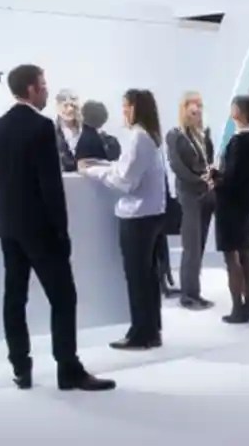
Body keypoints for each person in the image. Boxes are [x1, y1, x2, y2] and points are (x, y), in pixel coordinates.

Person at [0, 64, 115, 392]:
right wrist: (62, 231)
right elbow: (50, 186)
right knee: (63, 297)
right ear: (30, 89)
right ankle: (67, 368)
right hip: (40, 228)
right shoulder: (40, 127)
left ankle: (21, 368)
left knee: (14, 298)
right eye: (42, 86)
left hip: (8, 227)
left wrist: (12, 194)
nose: (46, 91)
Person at [81, 89, 169, 350]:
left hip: (137, 215)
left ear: (134, 108)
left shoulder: (139, 138)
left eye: (125, 106)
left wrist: (93, 171)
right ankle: (151, 330)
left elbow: (124, 181)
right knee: (148, 276)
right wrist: (104, 166)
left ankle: (141, 332)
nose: (122, 112)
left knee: (138, 276)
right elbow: (124, 169)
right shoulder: (148, 136)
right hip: (150, 214)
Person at [211, 96, 249, 324]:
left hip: (232, 201)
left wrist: (216, 177)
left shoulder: (240, 141)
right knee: (246, 250)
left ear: (236, 111)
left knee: (231, 255)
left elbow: (232, 177)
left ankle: (238, 308)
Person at [166, 91, 217, 310]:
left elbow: (210, 160)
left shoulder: (204, 134)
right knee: (191, 246)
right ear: (184, 108)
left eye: (199, 105)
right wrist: (198, 180)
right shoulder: (176, 135)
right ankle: (188, 295)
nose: (196, 109)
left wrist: (210, 178)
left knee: (200, 245)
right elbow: (177, 167)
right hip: (189, 194)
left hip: (206, 193)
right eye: (192, 105)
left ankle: (195, 291)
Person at [53, 89, 83, 172]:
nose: (70, 109)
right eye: (65, 106)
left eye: (73, 106)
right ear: (57, 107)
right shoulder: (50, 133)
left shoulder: (86, 130)